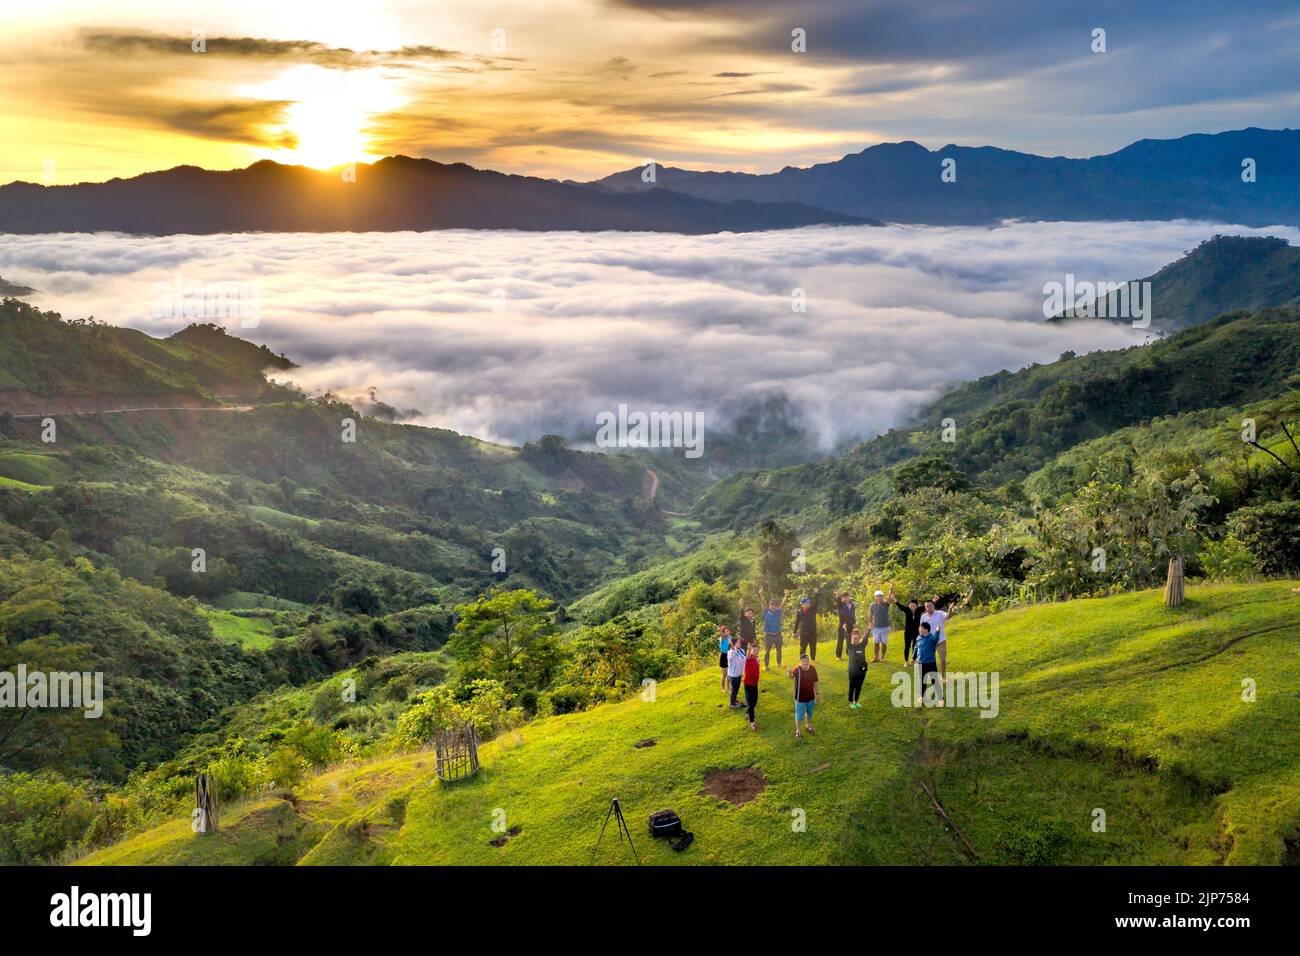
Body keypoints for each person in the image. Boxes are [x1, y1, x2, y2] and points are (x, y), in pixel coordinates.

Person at [910, 620, 942, 706]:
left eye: (921, 628)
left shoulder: (931, 637)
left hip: (930, 663)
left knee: (934, 681)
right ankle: (922, 697)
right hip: (921, 663)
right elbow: (916, 649)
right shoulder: (918, 638)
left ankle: (940, 699)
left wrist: (937, 630)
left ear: (926, 630)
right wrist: (913, 658)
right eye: (919, 628)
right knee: (922, 681)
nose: (919, 629)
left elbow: (936, 639)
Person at [921, 596, 952, 685]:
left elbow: (949, 616)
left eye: (929, 606)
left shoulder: (940, 613)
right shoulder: (923, 617)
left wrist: (950, 609)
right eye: (926, 606)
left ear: (933, 606)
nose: (928, 608)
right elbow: (922, 630)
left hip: (940, 641)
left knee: (942, 660)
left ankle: (943, 677)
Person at [758, 587, 789, 671]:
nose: (773, 606)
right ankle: (766, 666)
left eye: (775, 605)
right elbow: (763, 602)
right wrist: (761, 594)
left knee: (779, 650)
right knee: (767, 651)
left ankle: (779, 664)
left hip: (778, 635)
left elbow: (783, 604)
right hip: (769, 635)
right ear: (770, 605)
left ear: (776, 606)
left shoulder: (779, 611)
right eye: (772, 604)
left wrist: (786, 596)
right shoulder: (766, 610)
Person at [789, 653, 820, 740]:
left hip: (810, 697)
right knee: (799, 715)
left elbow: (816, 681)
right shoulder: (797, 669)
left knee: (809, 712)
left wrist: (817, 693)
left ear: (808, 661)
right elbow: (791, 676)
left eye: (806, 661)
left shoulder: (813, 669)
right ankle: (798, 731)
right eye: (803, 661)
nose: (805, 663)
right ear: (800, 662)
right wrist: (789, 673)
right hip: (800, 698)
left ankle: (808, 726)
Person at [894, 587, 923, 666]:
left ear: (916, 606)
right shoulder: (907, 610)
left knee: (915, 646)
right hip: (907, 632)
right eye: (911, 606)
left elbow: (927, 606)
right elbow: (900, 606)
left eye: (914, 606)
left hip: (916, 632)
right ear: (909, 605)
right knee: (907, 646)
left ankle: (914, 660)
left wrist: (934, 600)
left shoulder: (919, 610)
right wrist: (894, 599)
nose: (912, 607)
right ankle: (906, 661)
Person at [845, 627, 869, 709]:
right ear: (852, 638)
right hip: (852, 671)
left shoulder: (862, 645)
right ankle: (851, 702)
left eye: (857, 638)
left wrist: (868, 629)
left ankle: (856, 701)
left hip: (862, 671)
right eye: (854, 638)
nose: (856, 640)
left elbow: (865, 639)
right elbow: (847, 639)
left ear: (859, 638)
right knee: (852, 687)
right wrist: (845, 629)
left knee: (859, 686)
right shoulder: (850, 646)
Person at [869, 587, 891, 663]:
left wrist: (890, 589)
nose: (879, 597)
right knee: (876, 643)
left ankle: (882, 657)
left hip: (885, 627)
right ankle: (876, 657)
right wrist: (870, 622)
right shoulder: (872, 605)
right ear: (875, 597)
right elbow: (870, 615)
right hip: (876, 628)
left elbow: (890, 598)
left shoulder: (886, 604)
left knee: (884, 643)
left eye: (880, 596)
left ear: (882, 597)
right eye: (877, 596)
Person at [794, 596, 818, 661]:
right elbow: (797, 622)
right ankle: (802, 660)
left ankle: (813, 659)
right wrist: (794, 631)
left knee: (813, 647)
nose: (809, 604)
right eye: (807, 603)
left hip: (812, 633)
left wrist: (816, 594)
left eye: (809, 603)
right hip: (803, 633)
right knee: (802, 648)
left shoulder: (812, 609)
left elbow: (816, 602)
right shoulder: (799, 612)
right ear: (802, 605)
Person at [743, 644, 761, 730]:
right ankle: (752, 722)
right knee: (750, 704)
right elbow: (747, 655)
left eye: (757, 650)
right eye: (754, 650)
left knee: (755, 702)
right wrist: (748, 649)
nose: (756, 651)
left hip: (755, 685)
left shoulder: (756, 659)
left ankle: (748, 712)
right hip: (748, 685)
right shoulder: (748, 659)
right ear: (751, 651)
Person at [835, 592, 856, 659]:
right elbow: (838, 600)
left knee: (850, 639)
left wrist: (854, 623)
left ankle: (849, 653)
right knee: (840, 640)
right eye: (844, 597)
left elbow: (853, 615)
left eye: (847, 597)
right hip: (842, 625)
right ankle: (838, 656)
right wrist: (839, 596)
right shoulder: (840, 605)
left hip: (851, 625)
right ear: (842, 599)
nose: (846, 598)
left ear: (849, 597)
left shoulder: (852, 605)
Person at [727, 637, 747, 709]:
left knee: (736, 688)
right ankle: (732, 703)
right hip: (733, 675)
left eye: (739, 642)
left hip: (738, 674)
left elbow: (744, 660)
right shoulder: (731, 653)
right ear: (734, 645)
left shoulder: (741, 651)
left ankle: (734, 700)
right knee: (734, 689)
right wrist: (732, 645)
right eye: (738, 642)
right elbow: (733, 650)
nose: (739, 643)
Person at [718, 625, 733, 692]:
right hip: (723, 656)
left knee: (729, 673)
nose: (727, 632)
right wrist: (720, 631)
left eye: (728, 631)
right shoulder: (722, 638)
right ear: (723, 633)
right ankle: (722, 687)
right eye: (725, 632)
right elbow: (721, 635)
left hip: (729, 655)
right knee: (724, 674)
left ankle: (728, 686)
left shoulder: (730, 637)